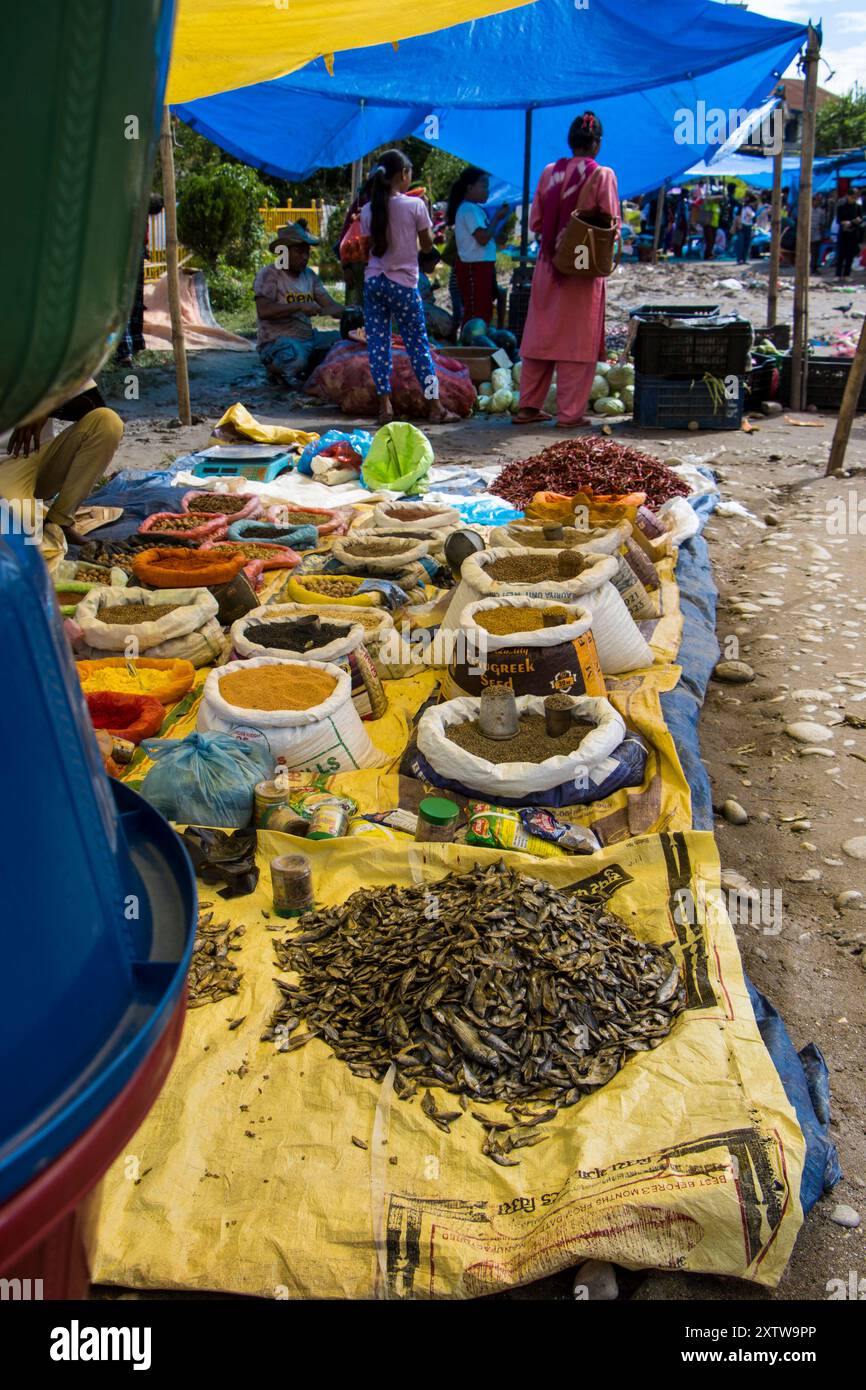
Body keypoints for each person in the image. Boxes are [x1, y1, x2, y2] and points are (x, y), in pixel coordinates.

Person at [514, 110, 619, 429]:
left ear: (570, 142)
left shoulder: (549, 173)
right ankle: (570, 414)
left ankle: (528, 407)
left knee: (540, 336)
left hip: (549, 267)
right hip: (583, 270)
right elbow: (611, 225)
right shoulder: (602, 175)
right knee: (577, 340)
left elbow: (535, 222)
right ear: (597, 144)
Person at [359, 149, 458, 425]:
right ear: (403, 175)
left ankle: (385, 407)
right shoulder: (414, 207)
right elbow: (427, 247)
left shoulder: (368, 210)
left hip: (374, 282)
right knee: (418, 346)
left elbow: (372, 245)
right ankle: (435, 406)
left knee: (378, 345)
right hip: (402, 283)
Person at [0, 382, 123, 544]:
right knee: (22, 532)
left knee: (107, 421)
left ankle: (60, 521)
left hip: (44, 454)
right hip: (5, 468)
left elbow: (93, 402)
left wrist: (45, 408)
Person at [253, 221, 343, 387]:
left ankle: (302, 368)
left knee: (341, 343)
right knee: (294, 357)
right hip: (276, 342)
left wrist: (348, 311)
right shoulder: (270, 274)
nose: (305, 257)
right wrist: (299, 306)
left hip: (307, 338)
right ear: (284, 252)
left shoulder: (309, 275)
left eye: (307, 252)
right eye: (300, 252)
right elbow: (263, 310)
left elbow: (329, 305)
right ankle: (275, 369)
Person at [446, 167, 512, 332]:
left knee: (482, 311)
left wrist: (496, 236)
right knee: (476, 313)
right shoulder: (468, 209)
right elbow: (482, 238)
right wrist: (497, 218)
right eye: (483, 187)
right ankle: (470, 349)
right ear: (469, 187)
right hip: (474, 267)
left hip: (481, 265)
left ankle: (476, 347)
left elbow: (482, 237)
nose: (487, 191)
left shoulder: (474, 209)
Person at [417, 249, 456, 341]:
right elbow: (419, 295)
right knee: (447, 322)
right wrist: (430, 289)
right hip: (422, 309)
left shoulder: (421, 275)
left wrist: (432, 288)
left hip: (426, 307)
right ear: (425, 262)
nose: (433, 268)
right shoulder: (418, 276)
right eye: (433, 265)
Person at [835, 190, 862, 279]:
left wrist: (853, 222)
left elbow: (860, 219)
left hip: (853, 234)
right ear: (847, 196)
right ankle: (838, 274)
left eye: (855, 197)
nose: (853, 199)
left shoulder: (858, 207)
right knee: (841, 255)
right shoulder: (841, 207)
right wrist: (845, 223)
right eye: (852, 197)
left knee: (850, 256)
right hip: (843, 233)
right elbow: (838, 220)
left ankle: (847, 274)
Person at [736, 195, 757, 263]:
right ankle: (739, 259)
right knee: (741, 243)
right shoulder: (742, 207)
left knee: (747, 243)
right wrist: (739, 224)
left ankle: (744, 259)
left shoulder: (752, 208)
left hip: (749, 226)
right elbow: (738, 216)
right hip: (742, 225)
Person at [810, 194, 827, 275]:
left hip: (817, 235)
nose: (817, 202)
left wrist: (822, 234)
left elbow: (822, 224)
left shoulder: (821, 212)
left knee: (815, 253)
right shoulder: (807, 210)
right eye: (815, 200)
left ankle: (814, 268)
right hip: (807, 235)